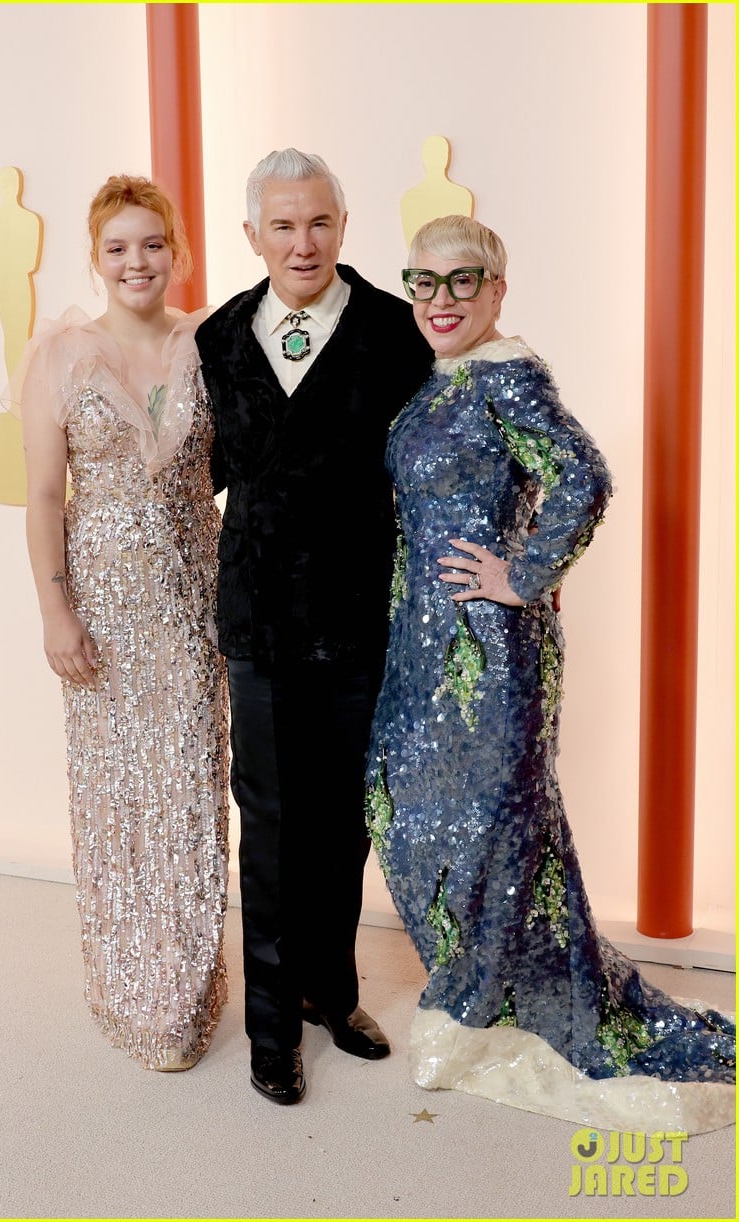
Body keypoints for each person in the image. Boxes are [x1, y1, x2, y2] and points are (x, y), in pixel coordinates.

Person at [365, 214, 734, 1131]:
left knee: (494, 833)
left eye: (461, 281)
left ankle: (482, 1012)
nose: (440, 300)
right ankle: (476, 992)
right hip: (418, 648)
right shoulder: (438, 379)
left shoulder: (510, 375)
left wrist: (522, 577)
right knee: (404, 814)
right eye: (423, 280)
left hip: (488, 656)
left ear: (497, 288)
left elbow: (584, 475)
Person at [196, 149, 431, 1104]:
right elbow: (193, 471)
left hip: (360, 617)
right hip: (255, 621)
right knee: (271, 825)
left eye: (320, 222)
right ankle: (267, 1029)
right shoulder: (215, 337)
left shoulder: (395, 329)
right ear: (252, 235)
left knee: (343, 825)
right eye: (284, 225)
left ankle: (331, 994)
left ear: (344, 226)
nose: (304, 242)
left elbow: (426, 470)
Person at [9, 176, 229, 1071]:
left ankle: (184, 992)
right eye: (117, 248)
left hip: (194, 601)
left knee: (185, 793)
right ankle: (129, 985)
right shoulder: (61, 352)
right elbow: (42, 495)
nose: (136, 262)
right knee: (116, 799)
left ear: (175, 251)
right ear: (95, 259)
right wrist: (54, 609)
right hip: (101, 609)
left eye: (151, 244)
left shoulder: (210, 343)